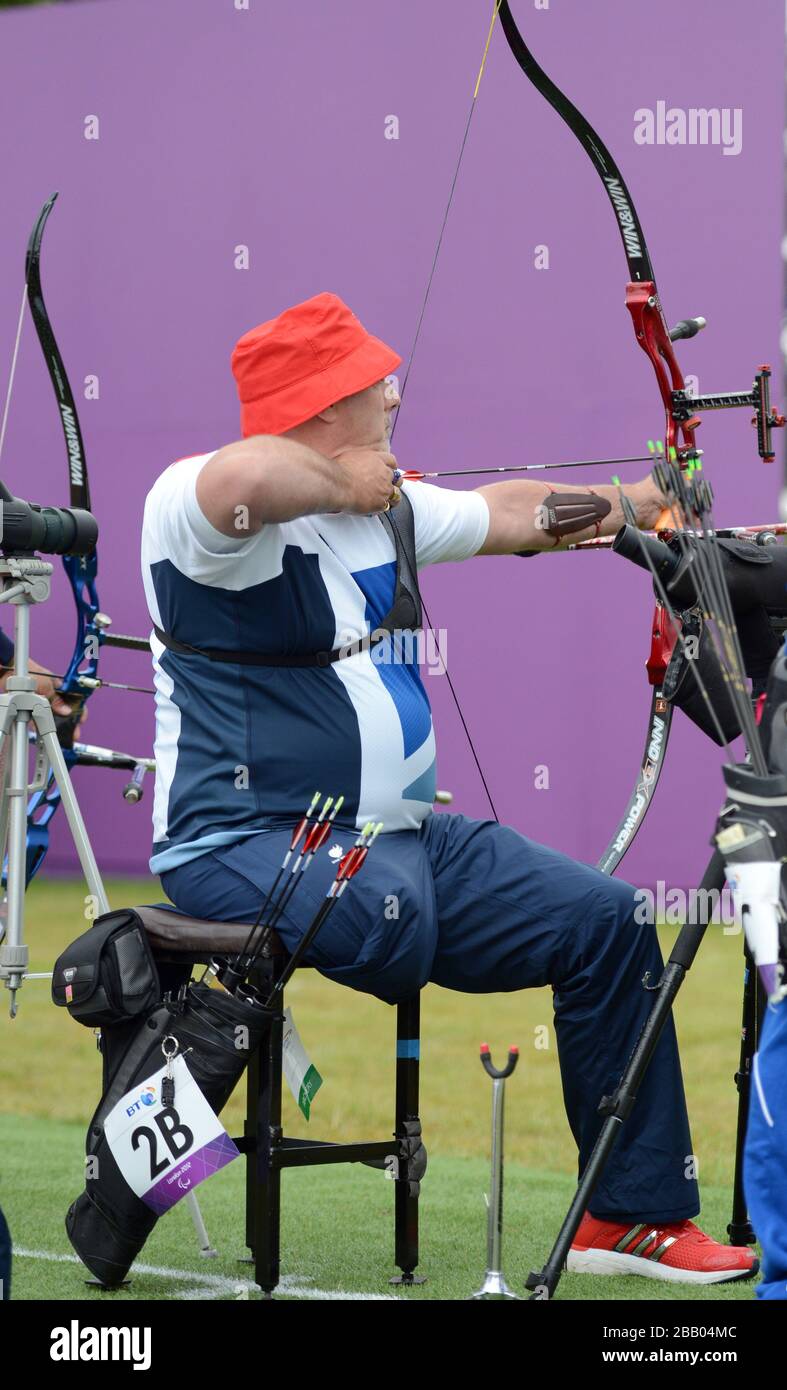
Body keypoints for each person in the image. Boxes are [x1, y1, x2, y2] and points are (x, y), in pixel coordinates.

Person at [141, 291, 756, 1285]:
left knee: (605, 922)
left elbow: (516, 515)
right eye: (373, 384)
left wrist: (646, 497)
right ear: (324, 402)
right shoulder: (201, 510)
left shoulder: (383, 502)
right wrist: (347, 487)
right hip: (242, 838)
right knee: (387, 915)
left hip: (395, 836)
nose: (393, 394)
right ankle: (148, 1107)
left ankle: (630, 1215)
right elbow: (250, 471)